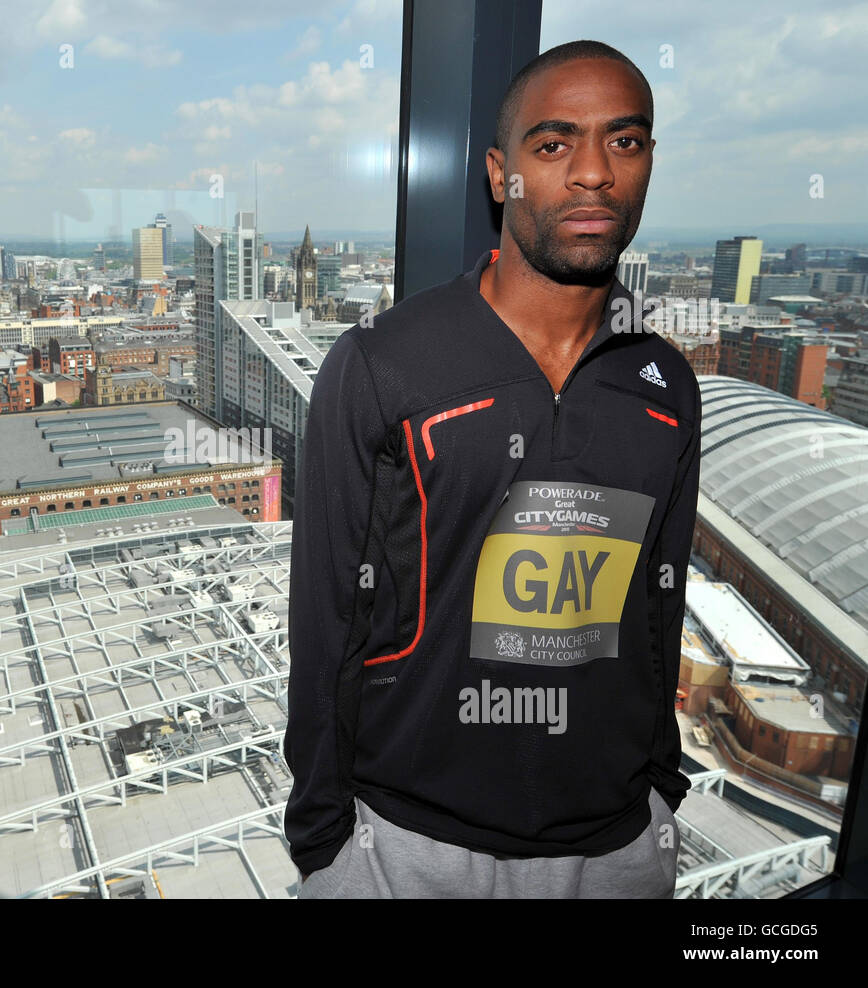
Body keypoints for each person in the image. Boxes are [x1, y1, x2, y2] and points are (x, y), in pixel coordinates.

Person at [285, 40, 699, 899]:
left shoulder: (665, 386)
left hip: (618, 851)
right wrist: (325, 845)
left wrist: (663, 787)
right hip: (410, 850)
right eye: (554, 145)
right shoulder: (382, 366)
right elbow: (326, 618)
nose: (593, 173)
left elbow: (658, 606)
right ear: (499, 172)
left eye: (625, 142)